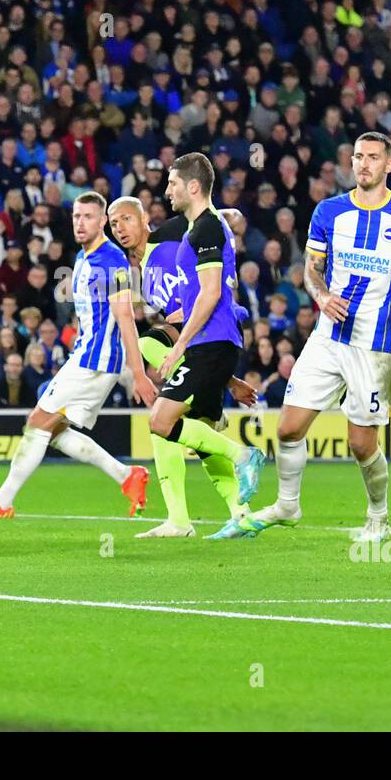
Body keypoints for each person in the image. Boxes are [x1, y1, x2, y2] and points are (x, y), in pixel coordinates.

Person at [215, 132, 391, 542]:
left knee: (362, 445)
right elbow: (312, 270)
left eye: (373, 158)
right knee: (289, 428)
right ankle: (288, 505)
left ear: (390, 165)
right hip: (328, 337)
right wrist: (323, 295)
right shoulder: (329, 212)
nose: (363, 164)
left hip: (375, 346)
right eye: (358, 156)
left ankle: (378, 517)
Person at [0, 192, 154, 520]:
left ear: (103, 220)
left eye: (89, 217)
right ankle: (127, 475)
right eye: (77, 216)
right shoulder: (83, 257)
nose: (80, 223)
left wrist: (139, 374)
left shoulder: (111, 259)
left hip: (95, 361)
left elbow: (125, 317)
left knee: (37, 422)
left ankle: (2, 502)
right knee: (53, 430)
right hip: (87, 357)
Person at [107, 195, 257, 533]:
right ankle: (233, 515)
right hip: (200, 354)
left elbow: (215, 218)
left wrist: (228, 213)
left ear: (145, 219)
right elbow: (178, 338)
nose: (120, 228)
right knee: (177, 431)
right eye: (114, 223)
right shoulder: (142, 278)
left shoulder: (173, 233)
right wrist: (229, 381)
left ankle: (193, 513)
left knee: (148, 345)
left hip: (218, 334)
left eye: (127, 219)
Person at [140, 153, 267, 537]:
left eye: (172, 183)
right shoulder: (203, 227)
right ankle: (241, 516)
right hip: (214, 345)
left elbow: (209, 295)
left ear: (193, 186)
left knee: (161, 421)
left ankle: (245, 455)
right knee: (202, 434)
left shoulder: (207, 228)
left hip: (208, 343)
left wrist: (179, 347)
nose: (167, 190)